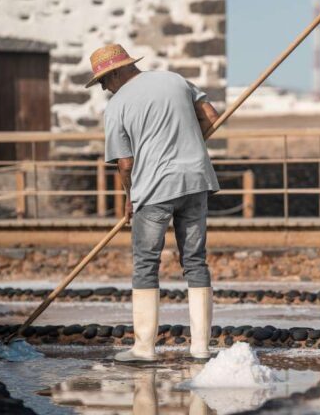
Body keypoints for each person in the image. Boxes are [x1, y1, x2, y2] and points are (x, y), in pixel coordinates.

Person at [85, 44, 220, 362]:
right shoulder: (175, 80)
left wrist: (129, 197)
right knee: (195, 261)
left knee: (146, 264)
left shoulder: (117, 105)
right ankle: (200, 348)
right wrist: (189, 144)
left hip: (154, 189)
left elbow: (126, 163)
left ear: (115, 72)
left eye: (104, 81)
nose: (105, 88)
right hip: (196, 181)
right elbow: (211, 116)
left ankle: (144, 348)